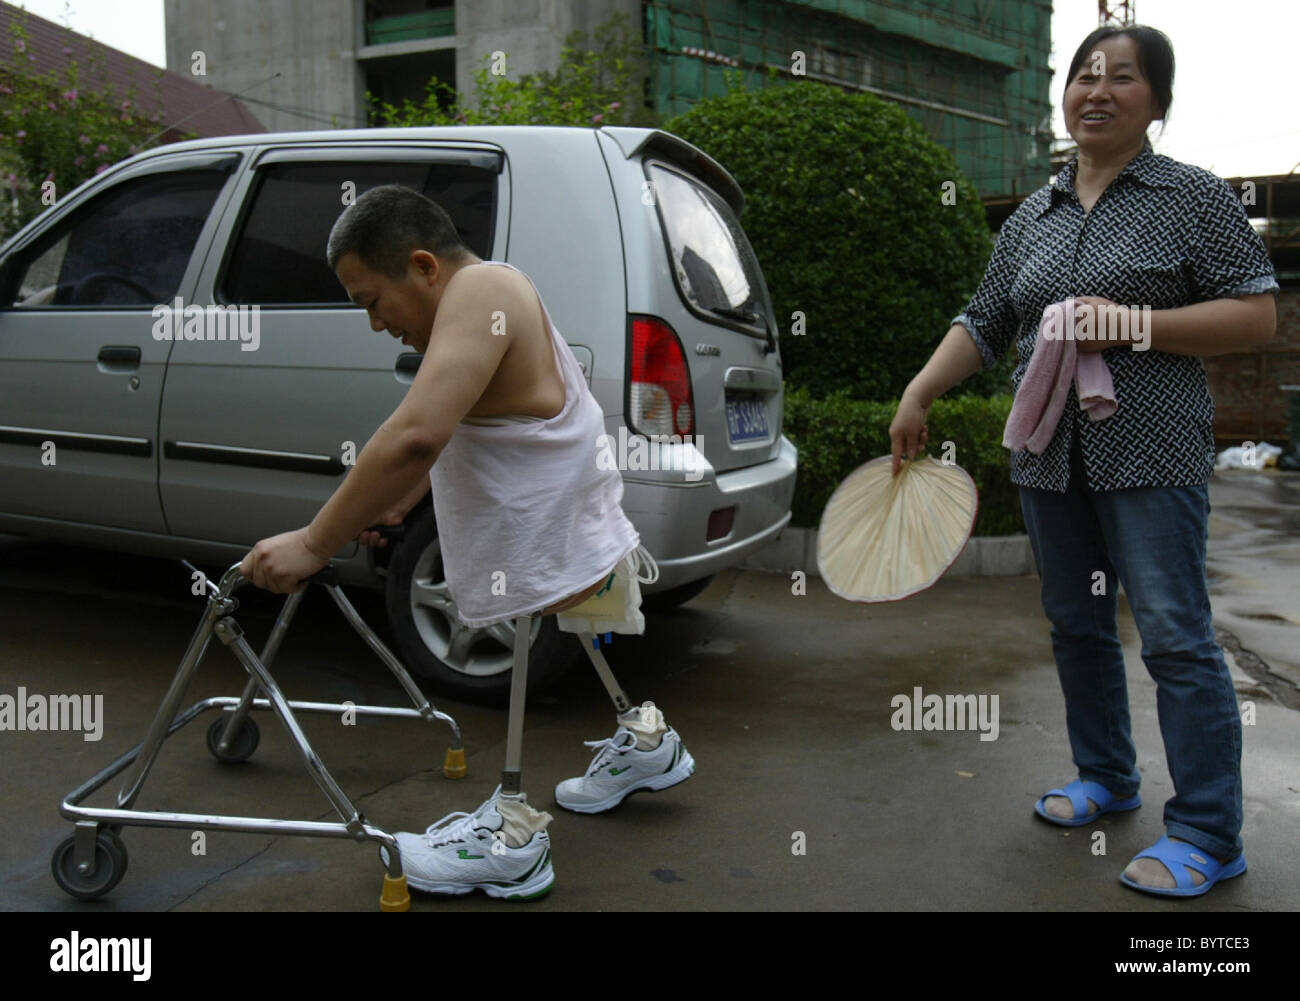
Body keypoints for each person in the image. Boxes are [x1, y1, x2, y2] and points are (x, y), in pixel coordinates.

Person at [888, 25, 1277, 897]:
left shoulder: (1191, 197)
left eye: (1123, 78)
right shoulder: (1036, 214)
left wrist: (1132, 322)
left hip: (1152, 451)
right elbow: (986, 319)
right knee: (1076, 626)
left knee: (1176, 637)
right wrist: (918, 392)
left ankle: (1211, 831)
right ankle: (1107, 776)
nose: (1096, 92)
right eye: (1084, 76)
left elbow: (1256, 315)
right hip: (1049, 453)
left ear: (1158, 102)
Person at [239, 184, 694, 900]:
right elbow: (483, 423)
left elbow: (416, 431)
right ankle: (644, 744)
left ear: (423, 266)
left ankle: (510, 836)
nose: (375, 324)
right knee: (569, 617)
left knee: (526, 627)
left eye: (370, 300)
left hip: (546, 539)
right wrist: (403, 497)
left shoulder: (482, 288)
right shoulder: (495, 292)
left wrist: (312, 541)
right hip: (574, 529)